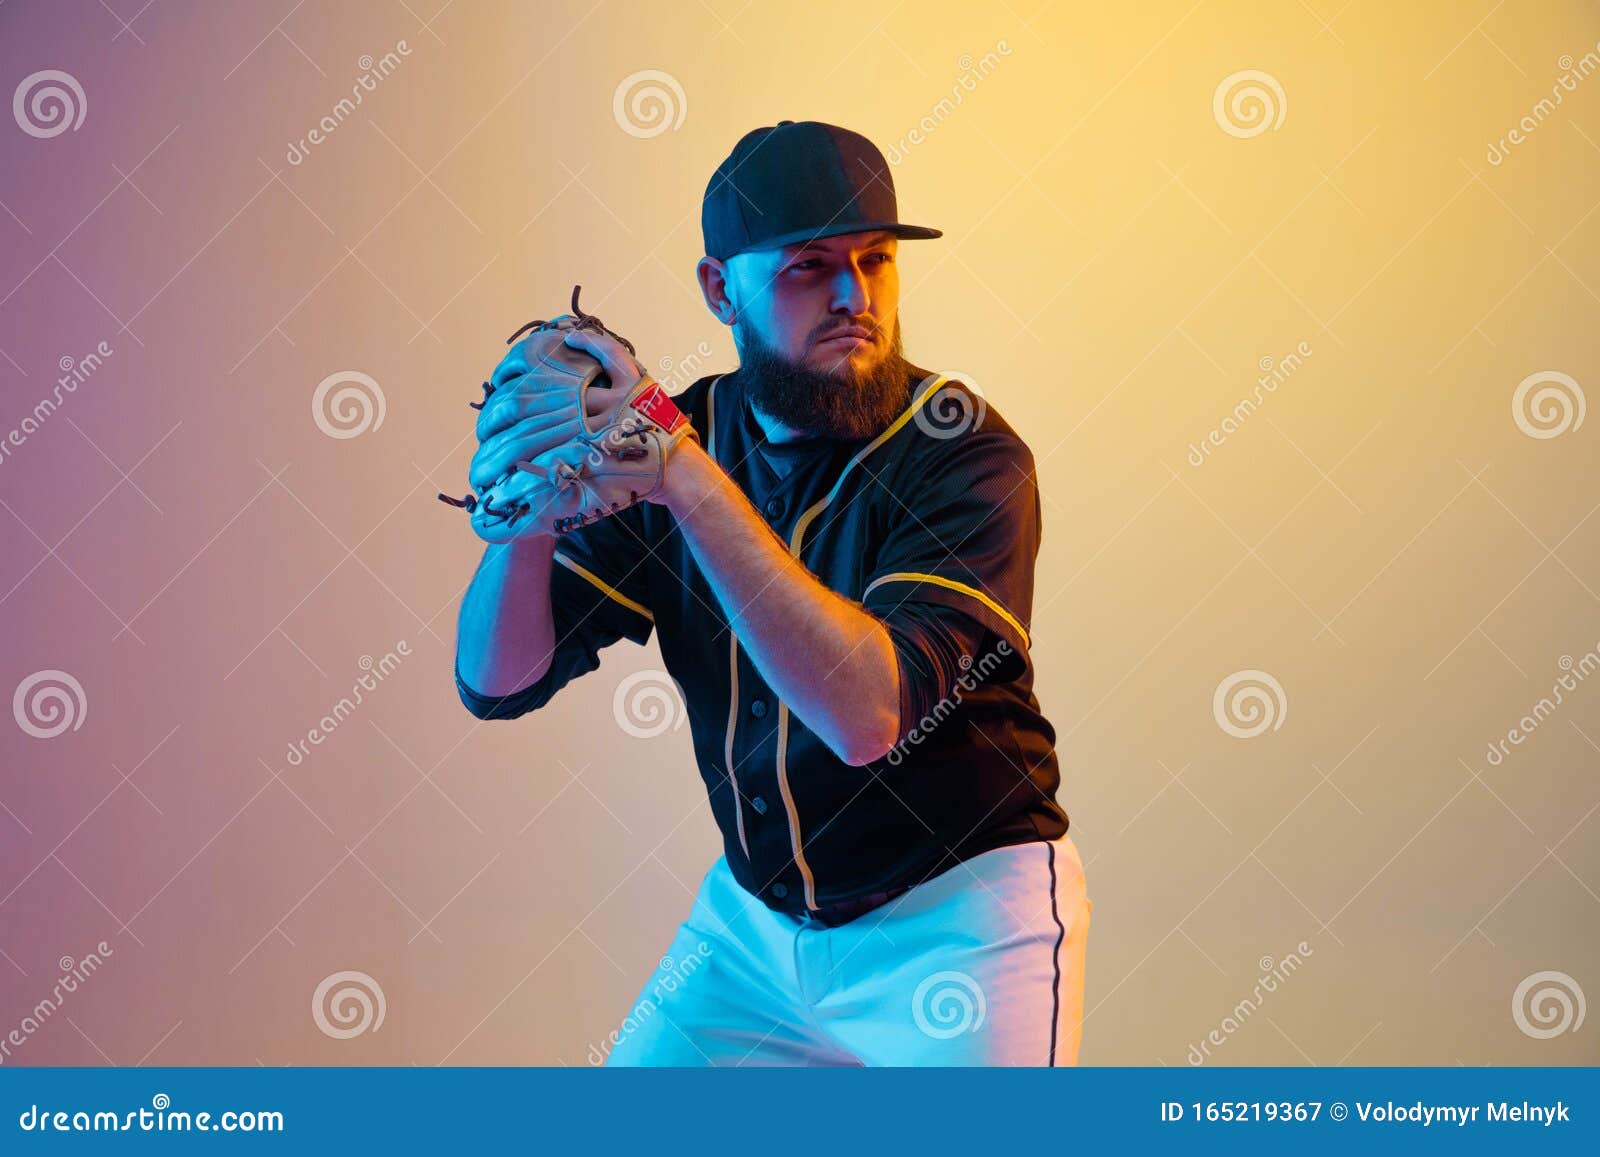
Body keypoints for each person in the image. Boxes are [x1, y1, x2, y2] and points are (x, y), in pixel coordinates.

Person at [453, 120, 1090, 1066]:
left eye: (875, 261)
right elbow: (496, 682)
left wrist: (682, 471)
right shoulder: (684, 430)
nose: (853, 295)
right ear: (721, 288)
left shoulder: (964, 451)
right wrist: (525, 529)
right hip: (752, 930)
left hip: (961, 921)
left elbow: (868, 716)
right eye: (809, 266)